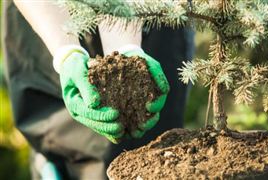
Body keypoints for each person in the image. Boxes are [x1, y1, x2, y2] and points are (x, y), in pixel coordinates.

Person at [2, 1, 194, 179]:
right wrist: (66, 53)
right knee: (61, 143)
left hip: (145, 14)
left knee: (150, 155)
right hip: (46, 13)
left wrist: (126, 50)